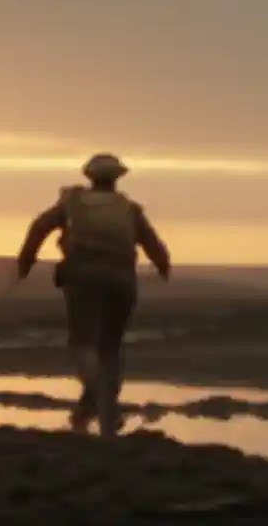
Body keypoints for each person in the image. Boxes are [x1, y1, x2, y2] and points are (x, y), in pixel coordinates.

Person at [15, 153, 171, 436]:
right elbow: (153, 244)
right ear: (117, 178)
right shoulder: (129, 208)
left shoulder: (72, 203)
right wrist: (163, 267)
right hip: (122, 278)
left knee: (83, 342)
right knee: (111, 346)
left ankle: (102, 405)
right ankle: (98, 415)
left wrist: (25, 261)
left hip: (82, 276)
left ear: (89, 176)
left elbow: (40, 227)